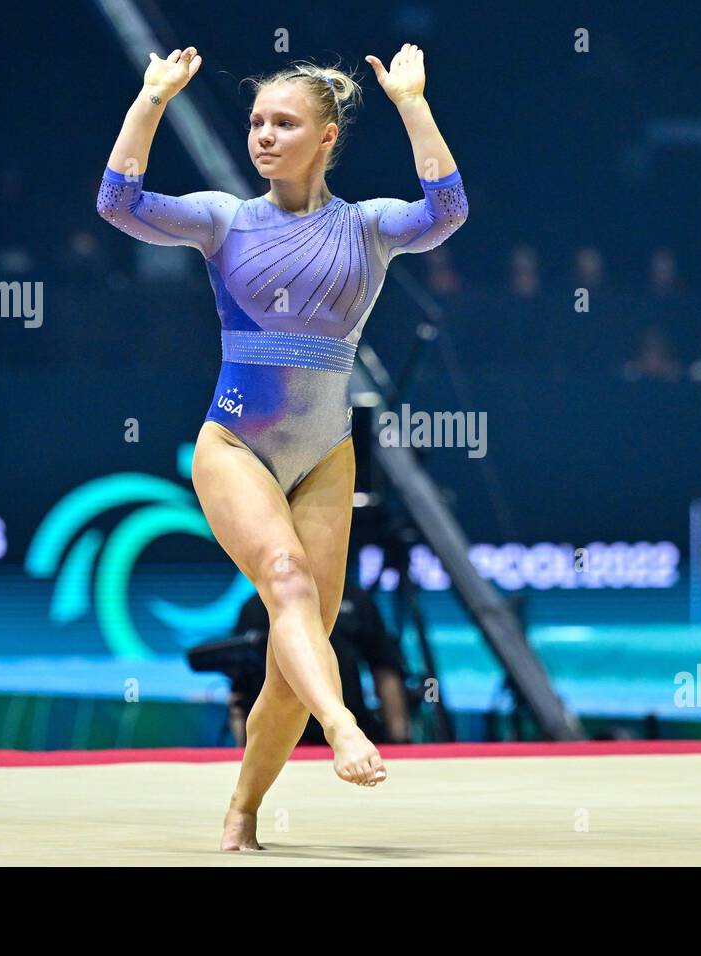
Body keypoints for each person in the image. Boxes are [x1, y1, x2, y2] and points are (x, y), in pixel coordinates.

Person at [96, 45, 467, 850]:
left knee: (295, 658)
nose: (263, 136)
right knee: (288, 584)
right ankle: (345, 728)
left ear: (327, 137)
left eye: (284, 123)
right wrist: (151, 100)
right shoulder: (224, 220)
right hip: (234, 444)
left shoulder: (367, 229)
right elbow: (118, 202)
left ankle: (243, 809)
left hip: (326, 454)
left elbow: (447, 210)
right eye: (258, 121)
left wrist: (411, 103)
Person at [226, 551, 411, 748]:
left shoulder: (356, 600)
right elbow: (239, 689)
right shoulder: (256, 607)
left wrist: (398, 741)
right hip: (278, 739)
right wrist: (244, 746)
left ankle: (340, 728)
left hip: (350, 732)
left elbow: (384, 669)